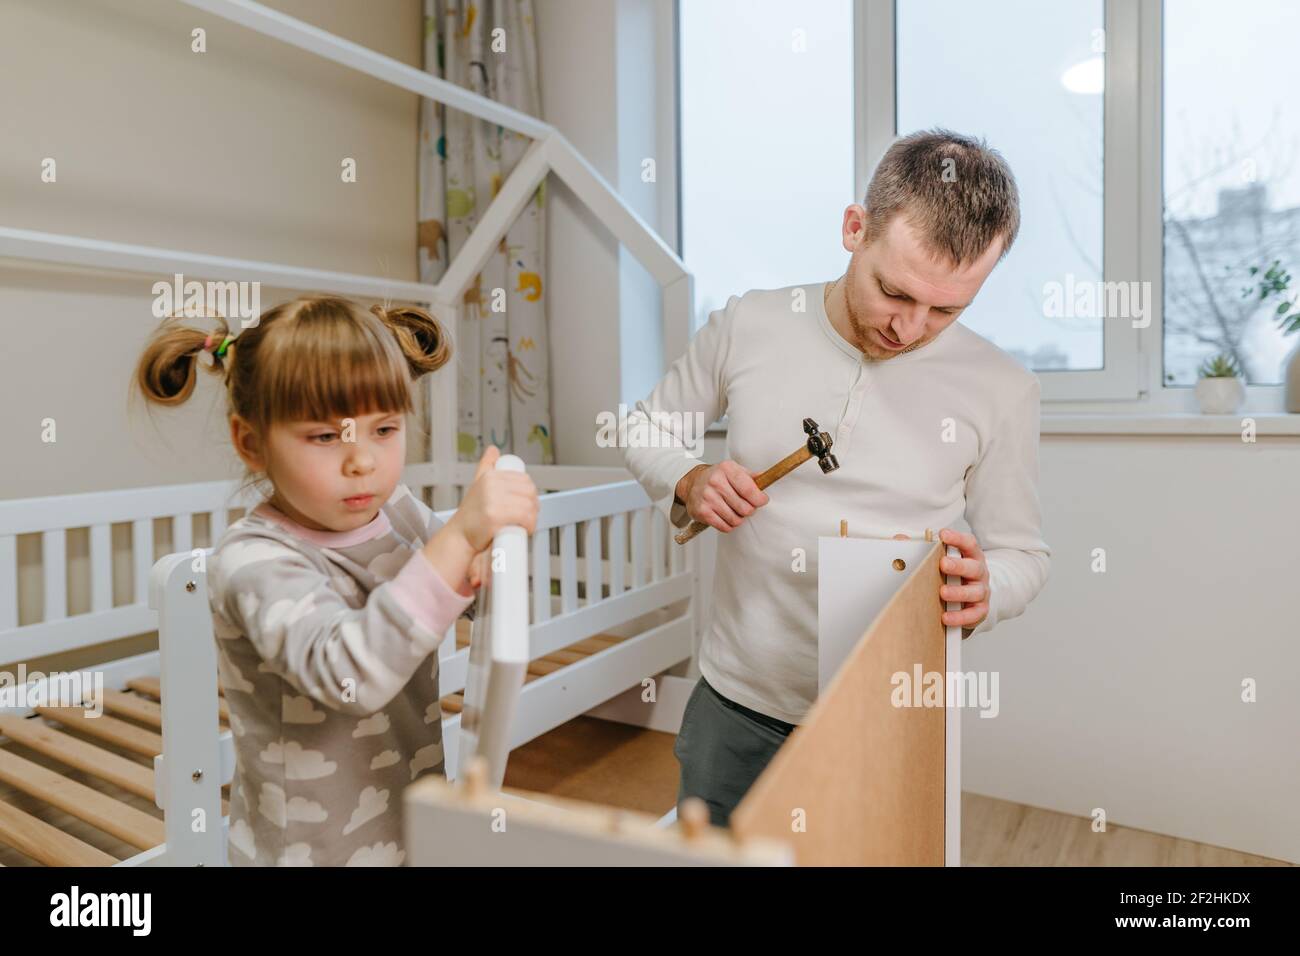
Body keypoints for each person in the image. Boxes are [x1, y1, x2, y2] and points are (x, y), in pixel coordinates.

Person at [622, 129, 1051, 827]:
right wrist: (688, 477)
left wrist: (988, 590)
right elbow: (642, 428)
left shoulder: (1003, 388)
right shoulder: (750, 323)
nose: (910, 328)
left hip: (891, 708)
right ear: (856, 229)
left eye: (947, 310)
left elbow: (1022, 554)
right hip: (740, 699)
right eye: (895, 292)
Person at [134, 294, 538, 865]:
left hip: (409, 819)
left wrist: (488, 555)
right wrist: (458, 537)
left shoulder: (397, 510)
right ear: (251, 443)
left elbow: (478, 603)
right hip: (306, 850)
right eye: (326, 437)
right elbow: (348, 671)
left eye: (385, 429)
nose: (362, 462)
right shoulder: (253, 560)